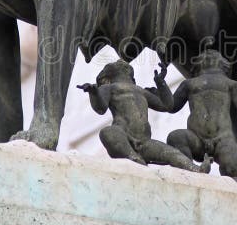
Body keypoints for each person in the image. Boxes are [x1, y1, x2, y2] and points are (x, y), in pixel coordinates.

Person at [78, 60, 210, 173]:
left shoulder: (141, 91)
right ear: (108, 75)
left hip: (145, 142)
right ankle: (134, 158)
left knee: (172, 154)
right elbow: (100, 108)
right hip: (124, 136)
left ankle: (196, 169)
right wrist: (94, 92)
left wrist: (161, 83)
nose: (121, 62)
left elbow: (167, 106)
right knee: (107, 132)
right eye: (117, 65)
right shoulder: (110, 88)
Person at [166, 50, 237, 179]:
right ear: (198, 63)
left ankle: (233, 184)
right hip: (196, 139)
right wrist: (161, 87)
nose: (209, 56)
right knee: (176, 137)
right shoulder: (189, 84)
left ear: (223, 64)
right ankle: (189, 171)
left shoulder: (230, 84)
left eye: (213, 56)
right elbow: (172, 106)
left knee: (236, 168)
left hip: (222, 140)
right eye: (206, 56)